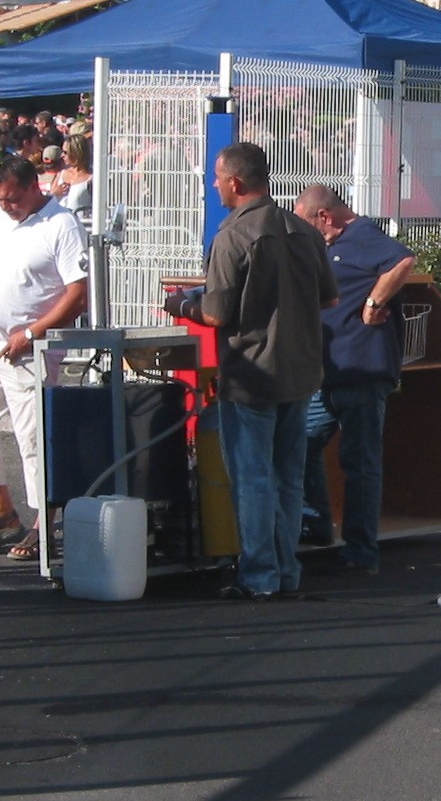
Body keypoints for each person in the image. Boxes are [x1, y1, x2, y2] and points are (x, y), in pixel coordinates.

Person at [163, 143, 337, 602]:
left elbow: (217, 315)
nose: (215, 185)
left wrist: (180, 302)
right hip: (299, 370)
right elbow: (329, 298)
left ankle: (259, 575)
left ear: (235, 183)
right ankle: (285, 570)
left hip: (252, 372)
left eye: (217, 178)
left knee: (254, 479)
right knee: (288, 477)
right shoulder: (304, 231)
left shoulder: (232, 237)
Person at [0, 158, 90, 558]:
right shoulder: (5, 220)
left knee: (33, 438)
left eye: (11, 199)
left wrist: (30, 333)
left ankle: (45, 523)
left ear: (33, 188)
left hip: (29, 350)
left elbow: (78, 294)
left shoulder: (61, 225)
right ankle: (1, 511)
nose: (5, 206)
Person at [292, 184, 416, 574]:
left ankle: (361, 551)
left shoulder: (362, 235)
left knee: (359, 461)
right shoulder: (328, 246)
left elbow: (402, 261)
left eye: (306, 225)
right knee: (304, 442)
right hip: (328, 370)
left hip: (361, 369)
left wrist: (374, 302)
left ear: (324, 218)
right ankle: (315, 524)